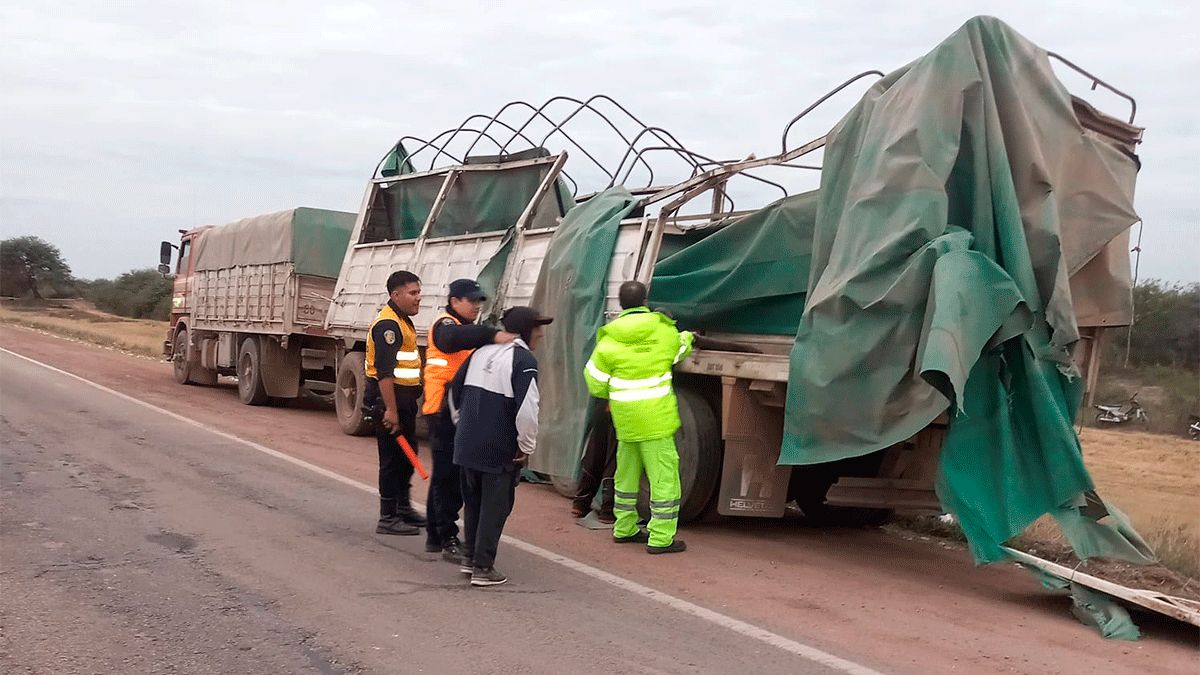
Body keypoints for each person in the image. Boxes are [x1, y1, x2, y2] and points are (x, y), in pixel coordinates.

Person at [583, 281, 693, 554]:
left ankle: (624, 528)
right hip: (656, 418)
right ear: (645, 301)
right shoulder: (663, 331)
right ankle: (660, 538)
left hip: (625, 418)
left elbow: (594, 381)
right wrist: (688, 338)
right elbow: (679, 351)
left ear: (621, 305)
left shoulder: (609, 338)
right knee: (664, 477)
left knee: (626, 473)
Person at [448, 306, 551, 586]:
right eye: (537, 328)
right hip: (498, 448)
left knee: (473, 503)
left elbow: (453, 392)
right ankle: (483, 567)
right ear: (526, 330)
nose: (540, 335)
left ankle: (470, 559)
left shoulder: (479, 353)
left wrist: (464, 427)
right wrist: (525, 445)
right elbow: (528, 410)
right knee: (495, 507)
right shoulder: (524, 360)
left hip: (467, 444)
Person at [422, 278, 517, 562]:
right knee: (447, 477)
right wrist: (492, 335)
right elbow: (452, 342)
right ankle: (445, 535)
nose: (476, 306)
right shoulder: (445, 325)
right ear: (454, 302)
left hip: (460, 411)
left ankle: (437, 534)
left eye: (479, 301)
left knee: (452, 475)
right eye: (471, 301)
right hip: (441, 409)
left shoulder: (466, 328)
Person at [364, 270, 428, 535]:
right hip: (389, 402)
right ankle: (387, 517)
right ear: (396, 294)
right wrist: (390, 410)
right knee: (392, 459)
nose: (418, 299)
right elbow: (385, 372)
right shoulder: (388, 325)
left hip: (403, 402)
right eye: (413, 293)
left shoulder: (403, 321)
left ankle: (402, 507)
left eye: (418, 293)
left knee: (406, 456)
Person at [570, 399, 616, 523]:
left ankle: (581, 501)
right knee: (614, 456)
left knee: (596, 449)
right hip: (623, 402)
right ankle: (608, 508)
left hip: (604, 399)